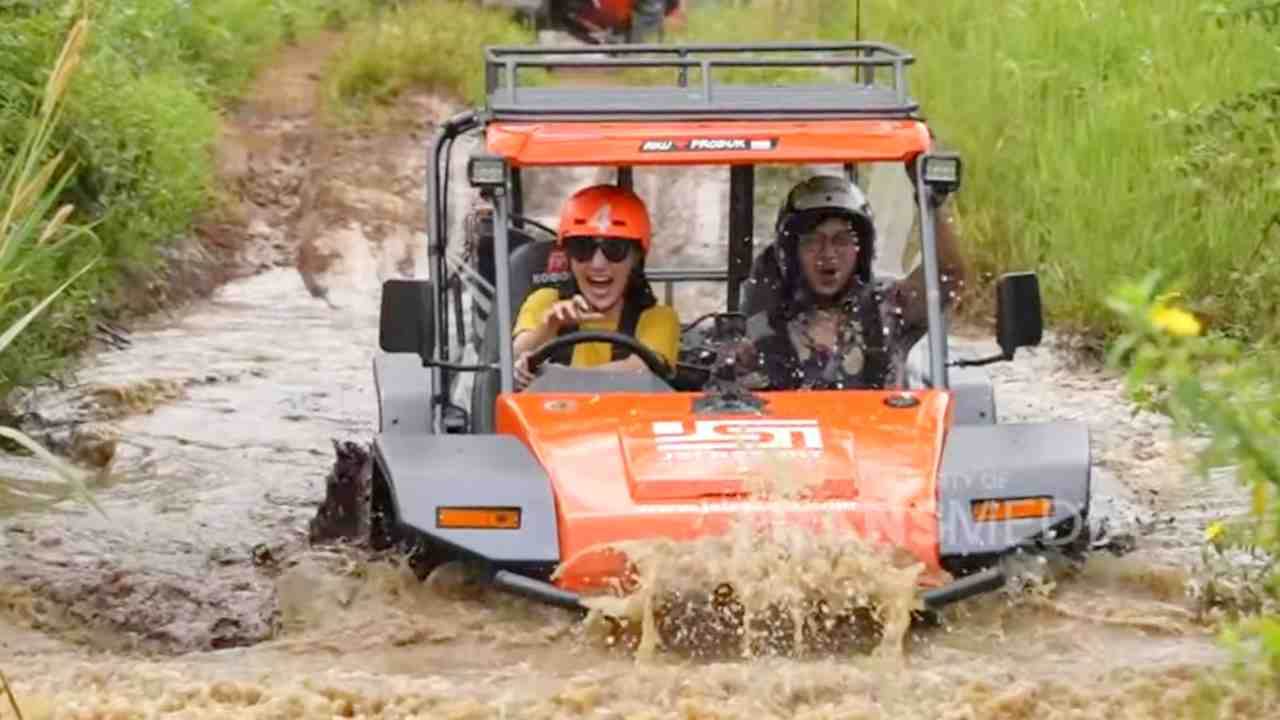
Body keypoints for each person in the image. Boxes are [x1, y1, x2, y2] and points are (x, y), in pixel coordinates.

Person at [738, 171, 966, 391]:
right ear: (792, 253)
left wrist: (931, 199)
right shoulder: (759, 327)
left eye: (842, 241)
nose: (827, 254)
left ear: (862, 251)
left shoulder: (889, 308)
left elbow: (947, 276)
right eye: (813, 242)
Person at [511, 184, 680, 390]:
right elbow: (515, 355)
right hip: (553, 420)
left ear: (635, 258)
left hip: (627, 420)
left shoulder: (658, 318)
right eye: (582, 248)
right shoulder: (546, 301)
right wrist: (550, 326)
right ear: (569, 257)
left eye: (614, 250)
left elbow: (640, 371)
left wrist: (551, 375)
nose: (598, 265)